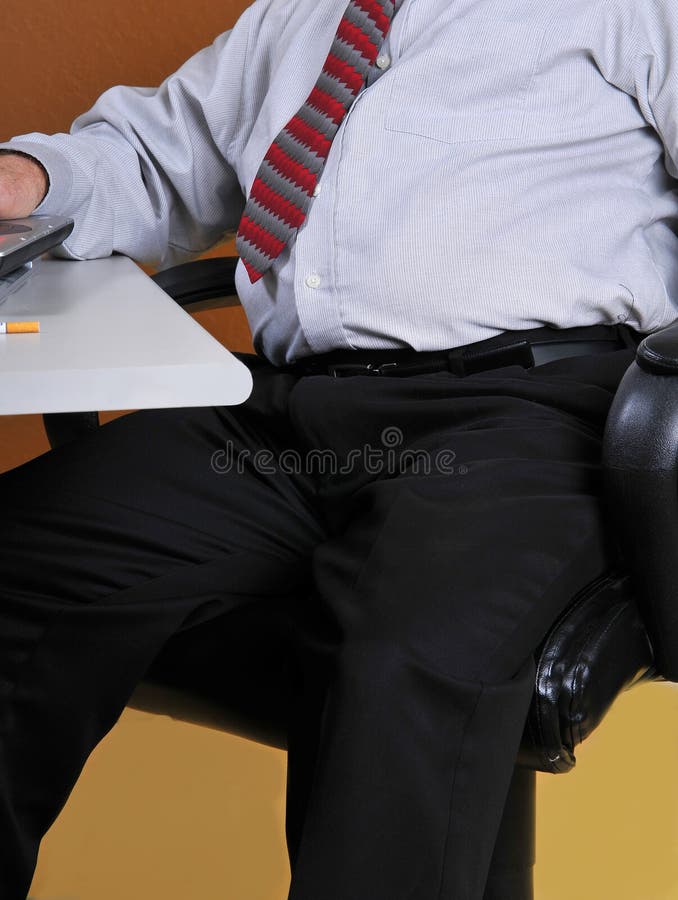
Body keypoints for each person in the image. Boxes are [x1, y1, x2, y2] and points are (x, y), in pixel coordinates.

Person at [0, 0, 677, 897]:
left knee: (398, 661)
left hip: (533, 415)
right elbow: (155, 157)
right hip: (294, 415)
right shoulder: (300, 16)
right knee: (19, 559)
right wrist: (29, 179)